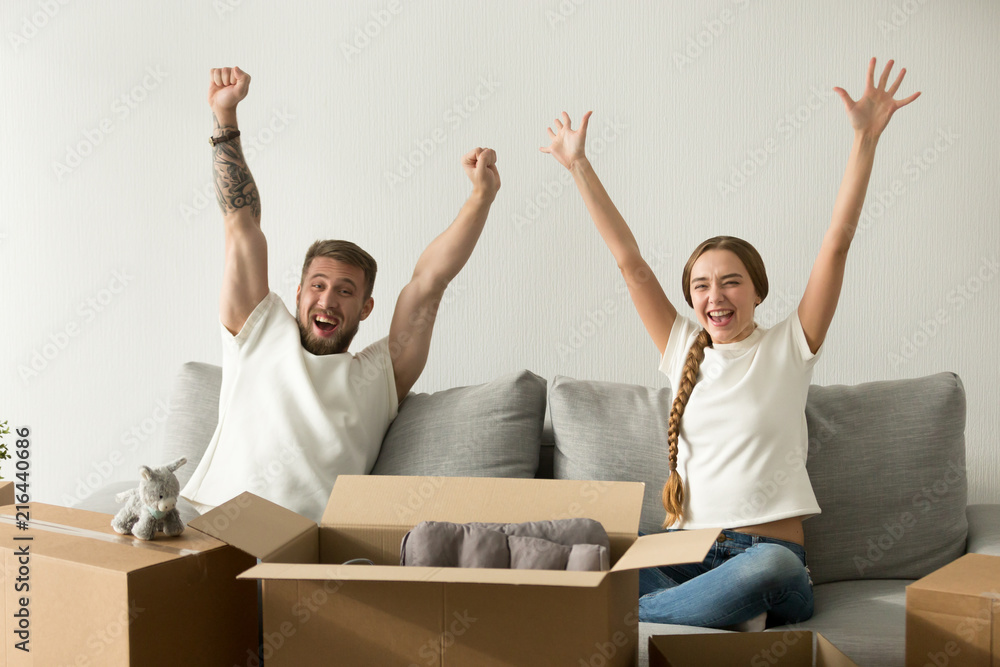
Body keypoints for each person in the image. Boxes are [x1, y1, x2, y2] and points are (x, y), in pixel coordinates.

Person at [540, 58, 919, 629]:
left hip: (770, 557)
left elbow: (836, 244)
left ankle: (640, 614)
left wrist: (865, 141)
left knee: (767, 570)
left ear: (758, 291)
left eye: (731, 281)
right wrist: (578, 165)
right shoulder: (681, 348)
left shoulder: (791, 345)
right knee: (585, 545)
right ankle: (710, 612)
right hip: (686, 554)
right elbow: (629, 262)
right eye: (701, 285)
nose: (715, 296)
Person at [181, 66, 501, 522]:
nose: (327, 300)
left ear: (366, 308)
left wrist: (480, 198)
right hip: (209, 526)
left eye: (345, 291)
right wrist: (224, 116)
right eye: (318, 285)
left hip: (300, 547)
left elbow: (429, 282)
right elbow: (241, 226)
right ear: (298, 294)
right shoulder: (259, 332)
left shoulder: (378, 378)